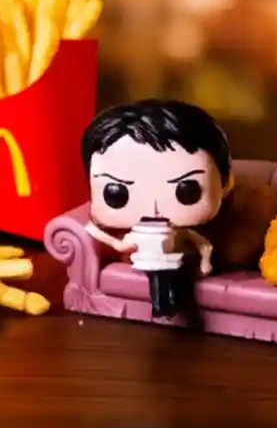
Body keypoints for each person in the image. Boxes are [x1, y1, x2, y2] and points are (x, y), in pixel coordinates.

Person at [79, 98, 234, 318]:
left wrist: (206, 260)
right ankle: (164, 307)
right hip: (149, 261)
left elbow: (201, 243)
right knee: (161, 279)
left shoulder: (182, 233)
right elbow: (121, 245)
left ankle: (167, 306)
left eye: (186, 189)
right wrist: (96, 233)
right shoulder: (137, 235)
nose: (154, 207)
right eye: (116, 193)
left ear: (227, 182)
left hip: (177, 260)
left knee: (171, 277)